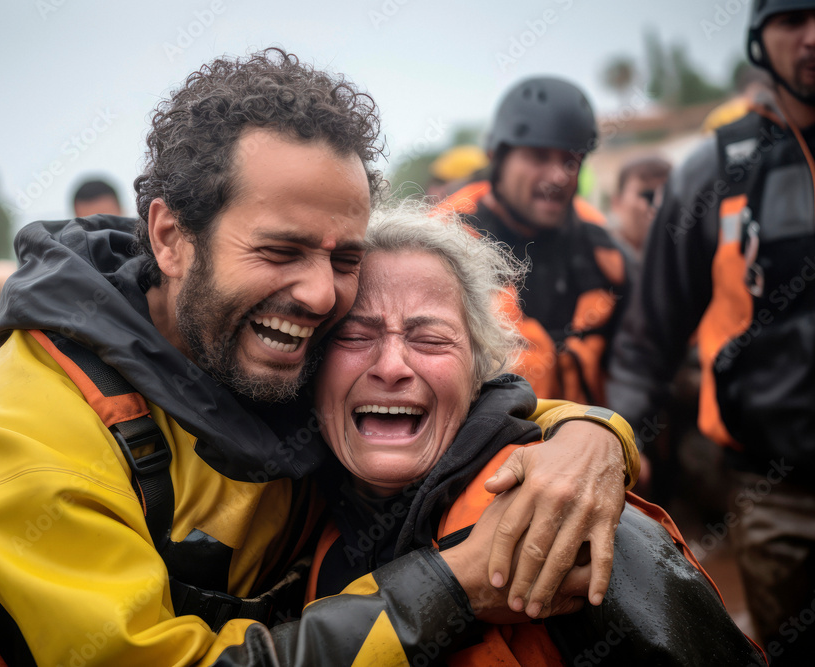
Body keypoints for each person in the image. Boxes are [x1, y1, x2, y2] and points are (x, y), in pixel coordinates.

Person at [0, 49, 638, 666]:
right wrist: (446, 589)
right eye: (279, 250)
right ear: (169, 238)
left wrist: (592, 434)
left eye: (344, 256)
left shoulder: (264, 342)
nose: (324, 295)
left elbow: (462, 407)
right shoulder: (22, 434)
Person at [309, 199, 766, 665]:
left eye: (430, 339)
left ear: (478, 374)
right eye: (353, 336)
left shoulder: (575, 520)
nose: (391, 367)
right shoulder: (296, 518)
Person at [608, 2, 815, 662]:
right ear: (760, 38)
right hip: (779, 493)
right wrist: (609, 455)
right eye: (793, 17)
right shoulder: (716, 174)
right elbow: (647, 342)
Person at [439, 76, 628, 405]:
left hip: (589, 443)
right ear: (497, 157)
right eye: (539, 157)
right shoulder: (441, 244)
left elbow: (642, 356)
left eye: (570, 161)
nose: (559, 176)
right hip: (489, 449)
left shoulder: (603, 248)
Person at [606, 154, 672, 270]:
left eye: (665, 196)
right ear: (616, 203)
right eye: (647, 195)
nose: (656, 206)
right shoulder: (601, 255)